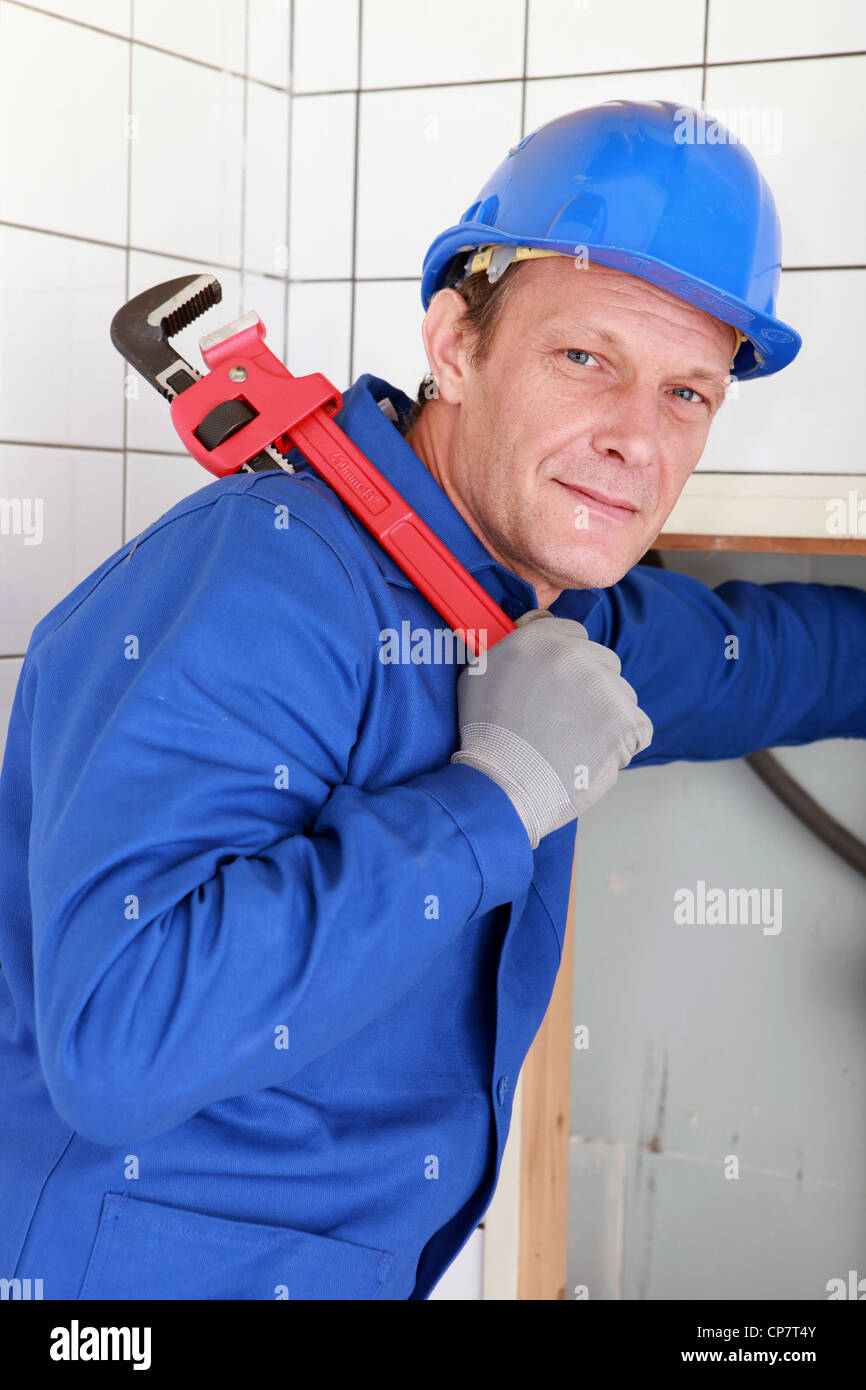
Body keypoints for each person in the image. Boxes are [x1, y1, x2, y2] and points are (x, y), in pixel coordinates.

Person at [0, 100, 863, 1301]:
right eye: (584, 359)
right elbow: (119, 1041)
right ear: (455, 343)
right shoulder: (262, 588)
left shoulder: (523, 603)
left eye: (686, 395)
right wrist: (492, 799)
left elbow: (756, 659)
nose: (635, 439)